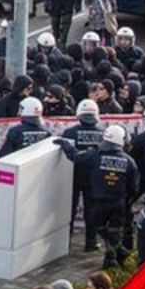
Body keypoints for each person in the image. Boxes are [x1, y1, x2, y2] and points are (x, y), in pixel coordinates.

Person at [56, 125, 139, 268]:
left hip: (99, 202)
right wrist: (128, 200)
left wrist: (64, 144)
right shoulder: (129, 161)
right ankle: (114, 257)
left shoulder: (94, 155)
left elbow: (75, 157)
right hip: (118, 202)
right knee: (114, 231)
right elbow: (134, 187)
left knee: (100, 228)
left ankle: (116, 255)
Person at [62, 99, 103, 251]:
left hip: (73, 175)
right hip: (93, 177)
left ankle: (65, 243)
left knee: (69, 210)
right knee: (91, 211)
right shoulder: (103, 134)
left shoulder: (69, 133)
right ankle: (91, 242)